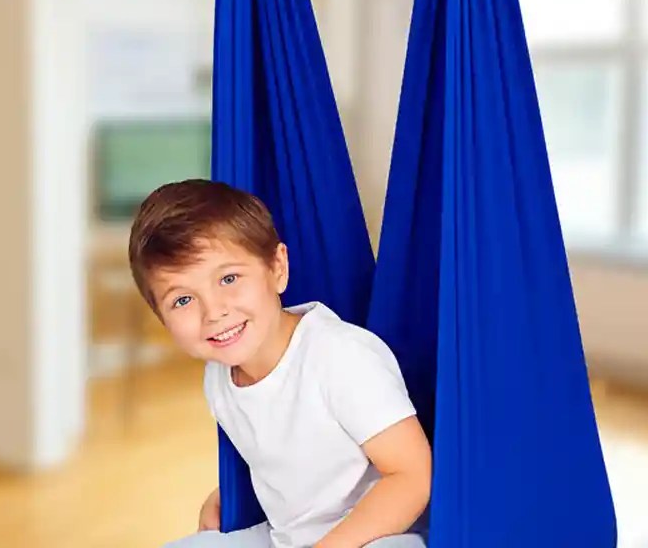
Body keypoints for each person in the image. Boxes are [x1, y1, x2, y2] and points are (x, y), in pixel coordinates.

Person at [128, 179, 431, 548]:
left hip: (379, 535)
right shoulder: (219, 377)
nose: (214, 311)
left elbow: (412, 475)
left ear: (278, 268)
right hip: (289, 537)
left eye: (228, 278)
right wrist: (225, 492)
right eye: (182, 300)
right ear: (160, 316)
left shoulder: (339, 356)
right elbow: (289, 462)